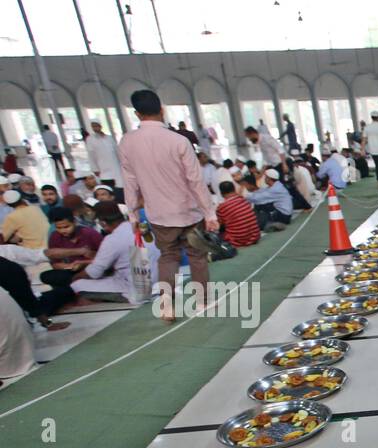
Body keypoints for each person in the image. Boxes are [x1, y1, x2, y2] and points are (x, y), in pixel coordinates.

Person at [118, 88, 217, 320]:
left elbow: (129, 181)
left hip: (158, 214)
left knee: (168, 257)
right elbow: (195, 180)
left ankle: (166, 305)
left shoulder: (127, 142)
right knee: (197, 256)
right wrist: (209, 213)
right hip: (189, 211)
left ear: (137, 114)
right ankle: (202, 303)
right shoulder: (178, 141)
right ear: (161, 110)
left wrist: (132, 214)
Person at [40, 200, 133, 302]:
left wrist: (79, 271)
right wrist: (71, 265)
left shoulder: (98, 235)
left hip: (125, 281)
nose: (63, 230)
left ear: (102, 222)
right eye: (59, 228)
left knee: (76, 285)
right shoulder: (134, 229)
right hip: (74, 270)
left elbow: (96, 270)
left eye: (66, 226)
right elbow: (54, 262)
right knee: (49, 276)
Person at [215, 180, 260, 247]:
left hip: (239, 240)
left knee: (216, 235)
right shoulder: (243, 200)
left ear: (221, 193)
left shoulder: (222, 207)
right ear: (234, 190)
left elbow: (219, 225)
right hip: (255, 236)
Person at [85, 120, 122, 186]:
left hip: (116, 167)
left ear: (100, 126)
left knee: (119, 184)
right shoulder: (90, 139)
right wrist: (95, 169)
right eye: (93, 126)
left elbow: (117, 151)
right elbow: (91, 155)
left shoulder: (109, 138)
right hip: (103, 168)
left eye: (96, 126)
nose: (95, 128)